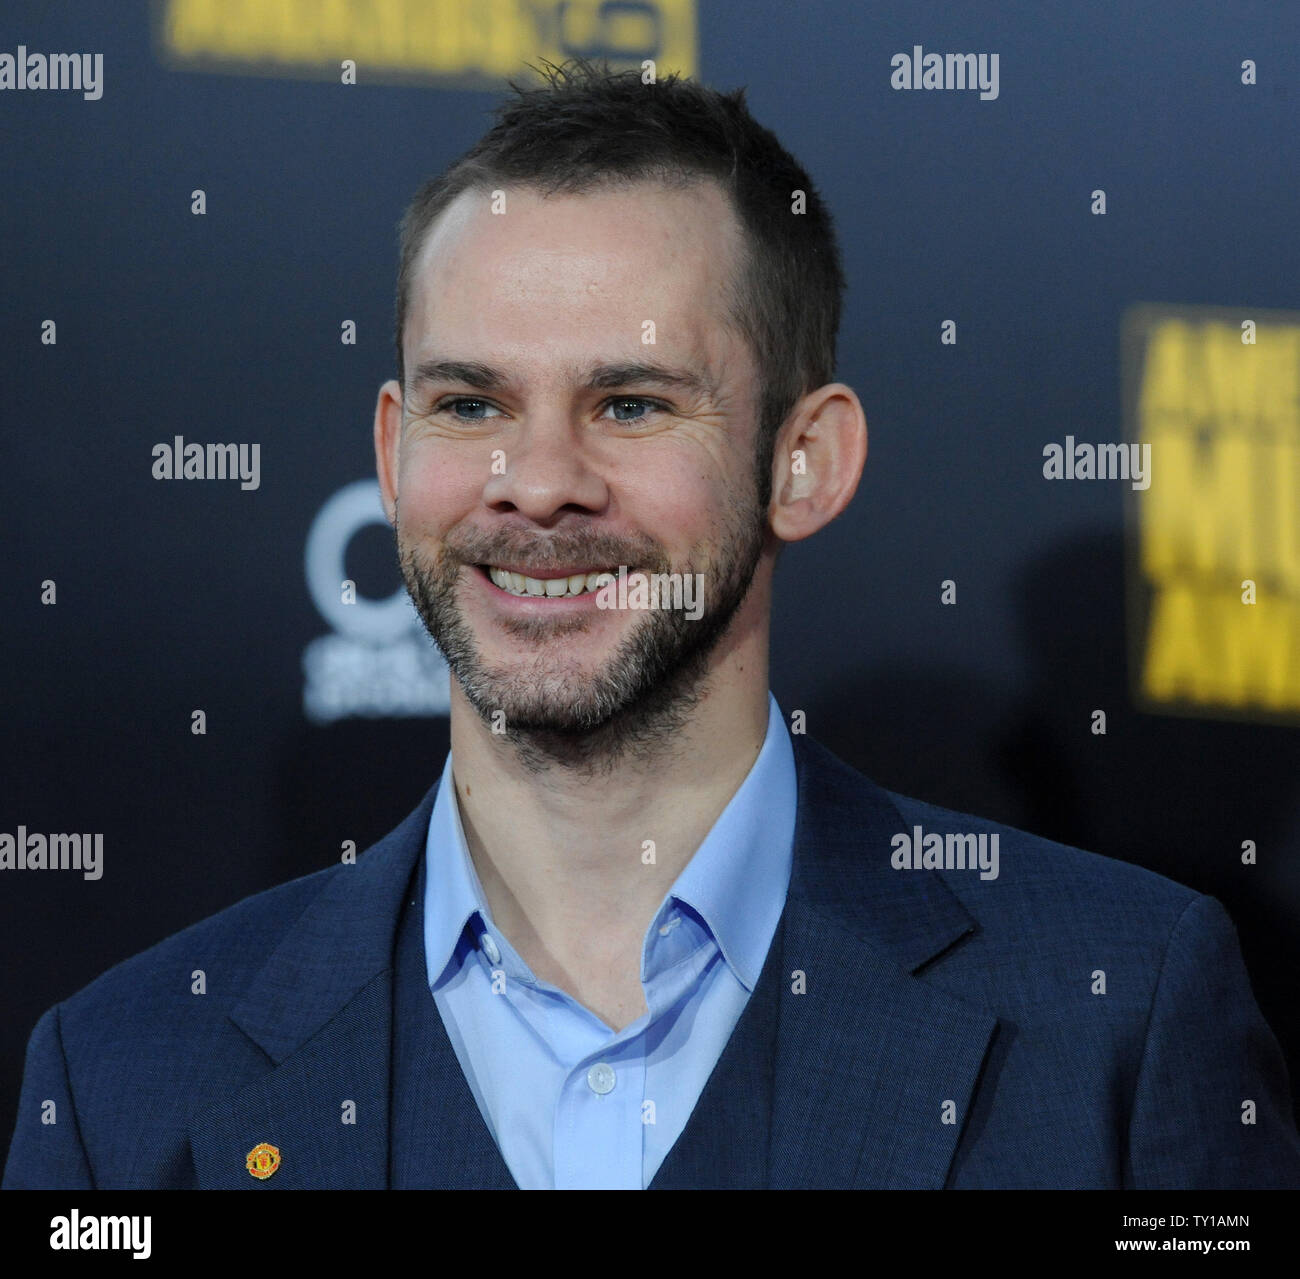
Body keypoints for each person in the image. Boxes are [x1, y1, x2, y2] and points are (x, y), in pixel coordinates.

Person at [6, 59, 1299, 1191]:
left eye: (628, 405)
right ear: (394, 456)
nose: (537, 479)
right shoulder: (124, 1083)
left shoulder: (1118, 1021)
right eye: (471, 405)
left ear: (805, 462)